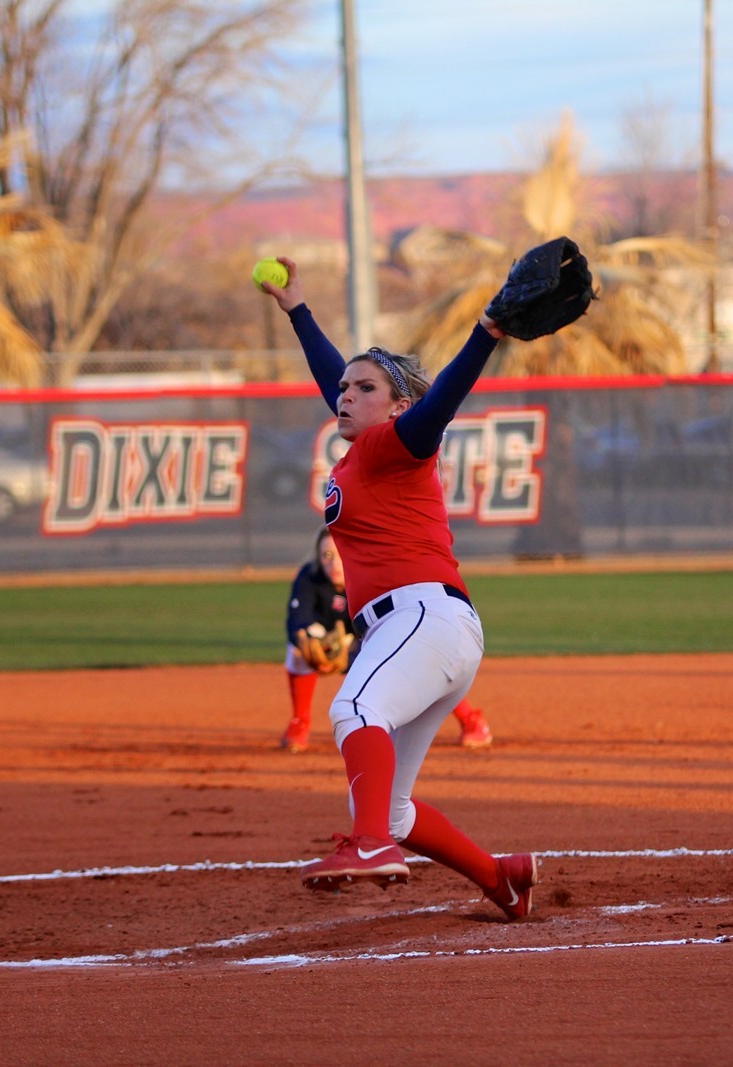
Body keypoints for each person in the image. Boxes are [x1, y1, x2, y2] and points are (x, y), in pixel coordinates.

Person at [259, 256, 538, 921]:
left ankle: (370, 845)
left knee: (352, 711)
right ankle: (501, 878)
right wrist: (297, 308)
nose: (345, 395)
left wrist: (487, 331)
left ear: (397, 406)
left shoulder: (399, 442)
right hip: (413, 629)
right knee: (393, 804)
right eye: (345, 388)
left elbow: (441, 399)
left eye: (363, 388)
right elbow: (338, 375)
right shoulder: (364, 450)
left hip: (423, 616)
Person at [281, 525, 493, 753]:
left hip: (369, 641)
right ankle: (299, 723)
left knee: (418, 666)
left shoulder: (369, 577)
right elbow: (297, 622)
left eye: (340, 555)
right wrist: (307, 641)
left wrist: (350, 647)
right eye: (327, 555)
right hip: (327, 643)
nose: (333, 564)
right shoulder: (309, 577)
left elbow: (388, 625)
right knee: (297, 651)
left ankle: (470, 719)